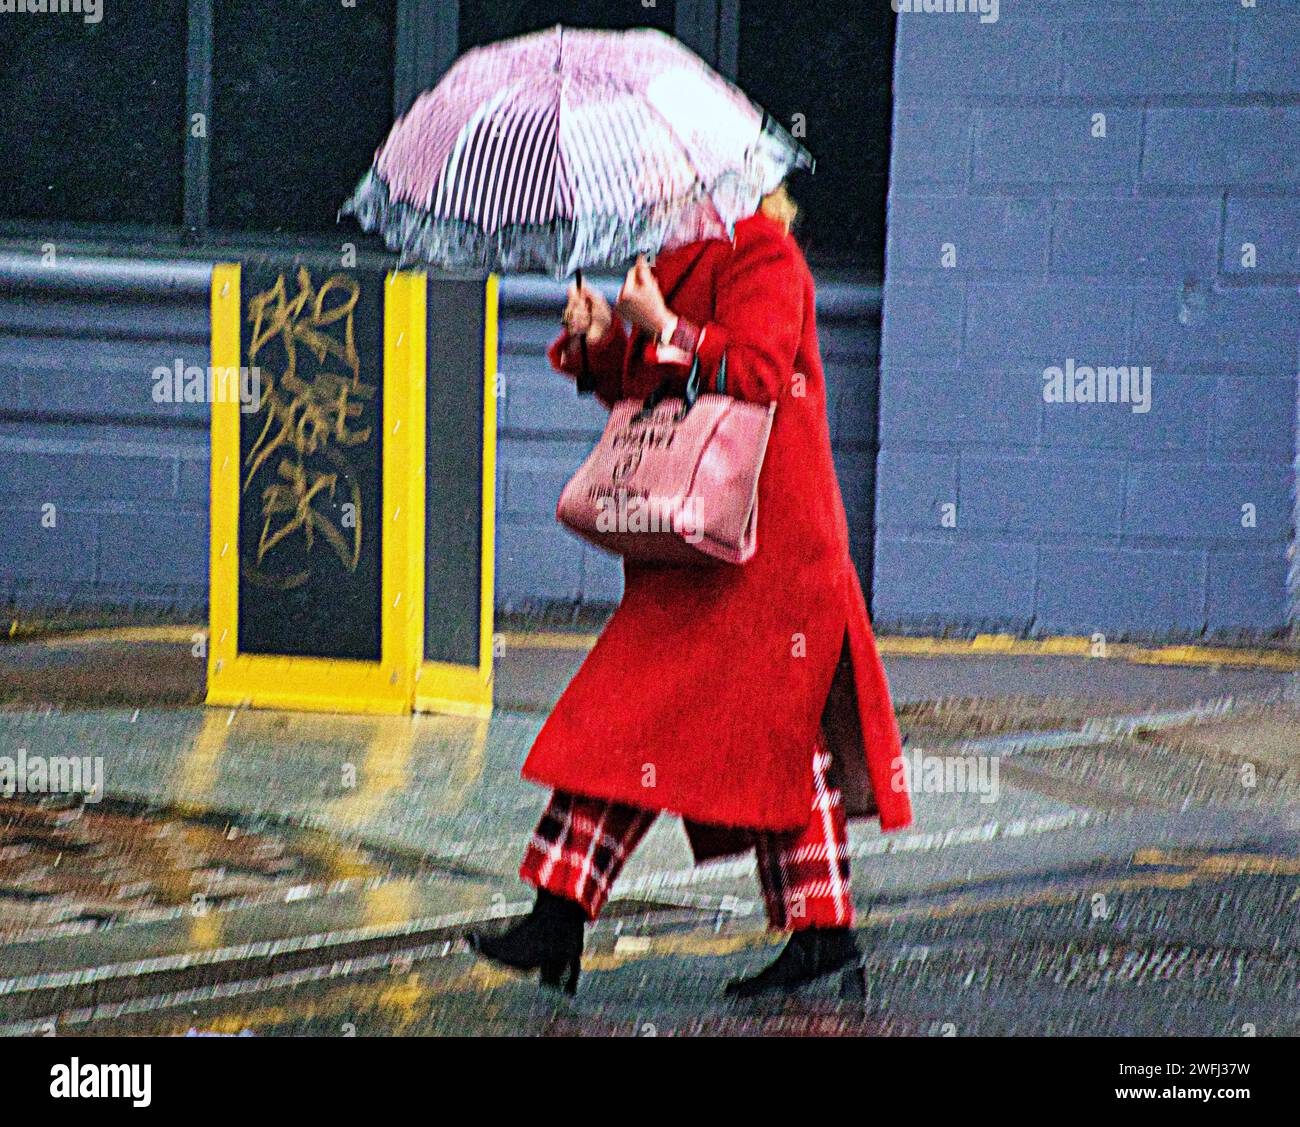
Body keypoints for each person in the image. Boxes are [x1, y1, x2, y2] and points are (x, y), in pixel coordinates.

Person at [468, 185, 911, 998]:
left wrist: (664, 325)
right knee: (697, 727)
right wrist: (605, 337)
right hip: (698, 545)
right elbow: (653, 393)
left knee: (708, 729)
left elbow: (759, 372)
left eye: (674, 179)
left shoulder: (763, 253)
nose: (657, 194)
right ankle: (816, 928)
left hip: (771, 545)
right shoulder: (674, 261)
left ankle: (564, 917)